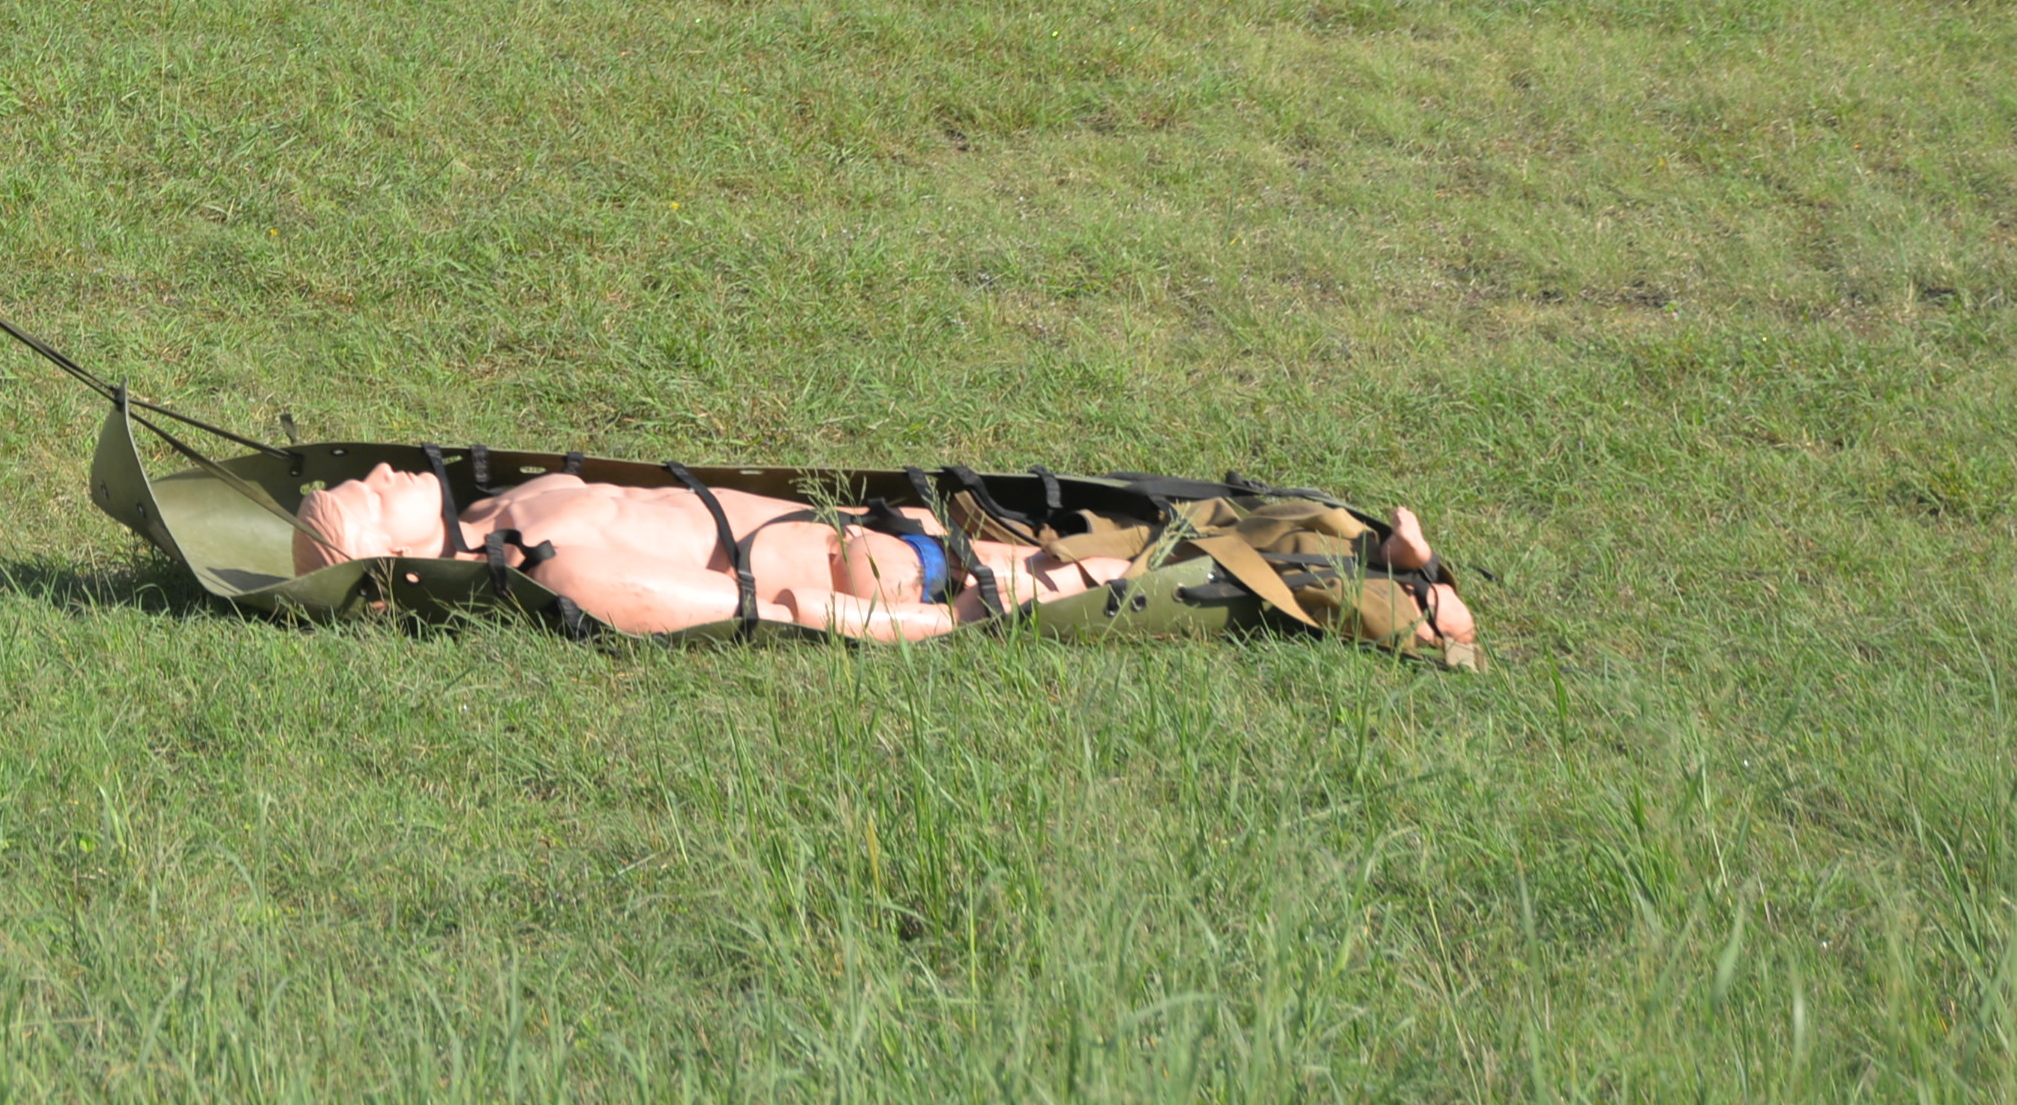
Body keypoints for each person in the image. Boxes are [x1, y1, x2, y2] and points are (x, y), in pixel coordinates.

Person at [296, 459, 1480, 665]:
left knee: (1174, 519)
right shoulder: (559, 565)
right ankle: (1405, 613)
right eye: (363, 497)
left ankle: (1348, 535)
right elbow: (761, 608)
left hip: (903, 529)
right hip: (914, 585)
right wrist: (942, 627)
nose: (370, 479)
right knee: (1152, 588)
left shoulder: (513, 498)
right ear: (393, 546)